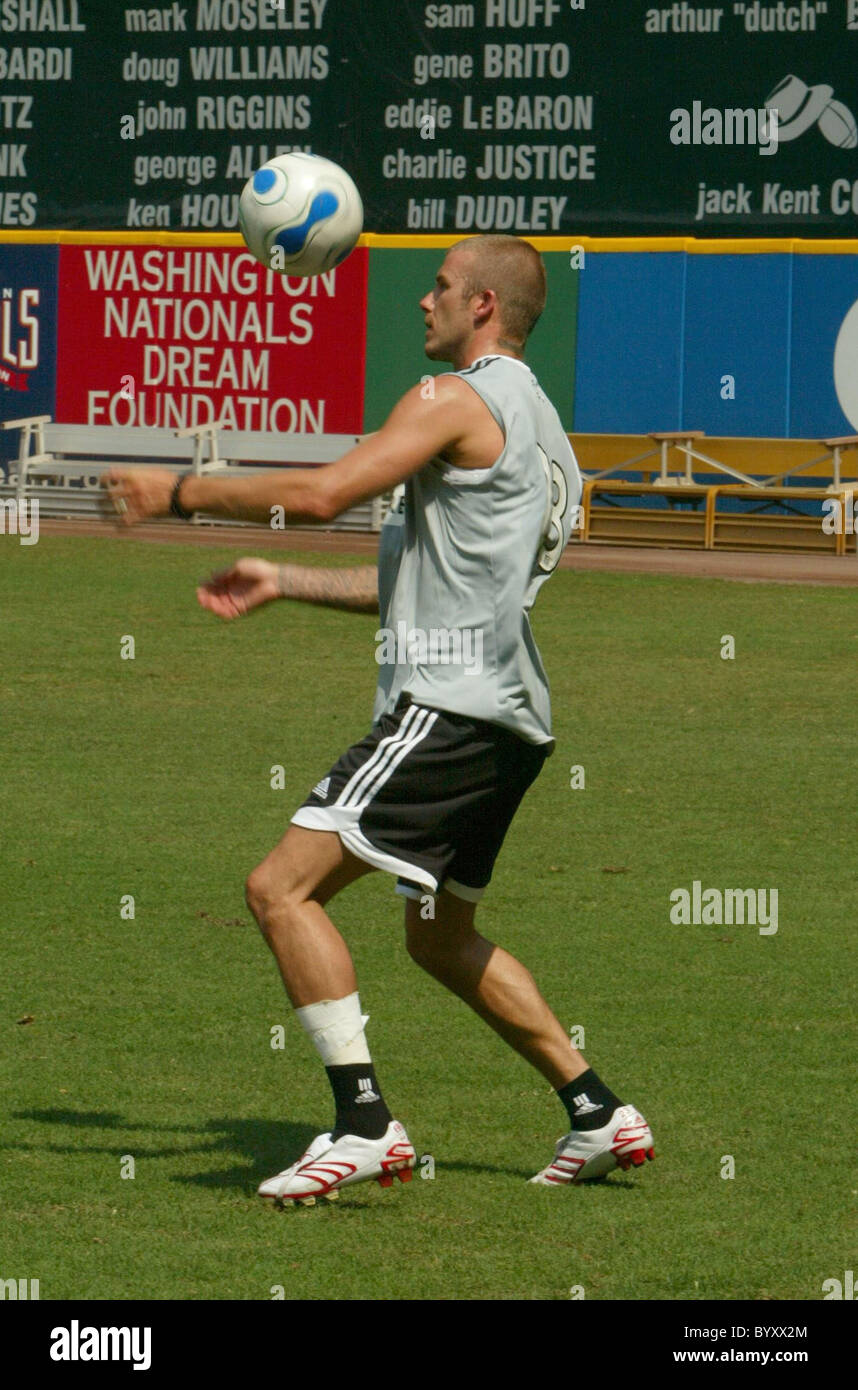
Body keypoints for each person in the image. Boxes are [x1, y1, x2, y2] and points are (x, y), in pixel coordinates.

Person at [104, 234, 654, 1203]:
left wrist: (178, 489)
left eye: (440, 287)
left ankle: (363, 1122)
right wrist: (283, 579)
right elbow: (424, 588)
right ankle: (597, 1107)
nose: (422, 302)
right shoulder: (549, 437)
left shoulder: (452, 399)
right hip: (513, 720)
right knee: (439, 935)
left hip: (447, 708)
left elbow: (322, 492)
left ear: (484, 305)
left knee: (281, 888)